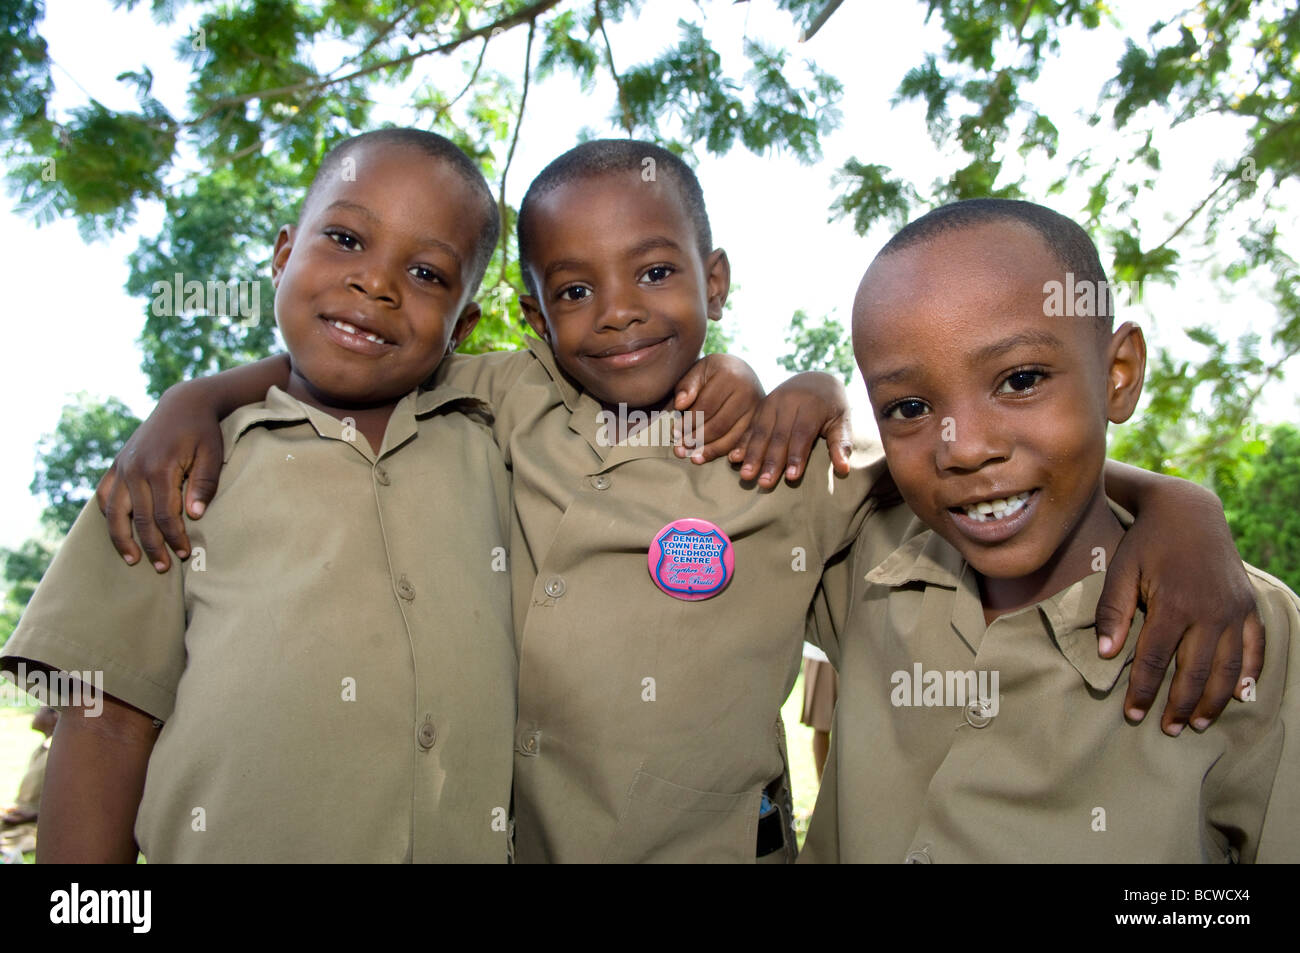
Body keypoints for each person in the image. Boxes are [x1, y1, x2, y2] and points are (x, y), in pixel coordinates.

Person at [96, 142, 1265, 863]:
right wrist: (196, 397)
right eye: (573, 289)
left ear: (713, 281)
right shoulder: (498, 403)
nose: (616, 311)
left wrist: (1178, 503)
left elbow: (959, 469)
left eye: (655, 272)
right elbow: (355, 355)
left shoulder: (779, 454)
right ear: (529, 315)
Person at [0, 128, 525, 862]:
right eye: (344, 238)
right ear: (282, 256)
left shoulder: (496, 444)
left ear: (463, 326)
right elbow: (104, 722)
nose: (376, 283)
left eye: (429, 274)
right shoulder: (179, 470)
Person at [802, 198, 1298, 863]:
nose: (966, 447)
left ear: (1118, 375)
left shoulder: (1243, 627)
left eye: (1021, 379)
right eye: (910, 407)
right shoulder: (863, 559)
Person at [2, 706, 58, 826]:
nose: (35, 714)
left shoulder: (59, 753)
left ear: (54, 717)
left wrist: (33, 815)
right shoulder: (42, 749)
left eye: (39, 710)